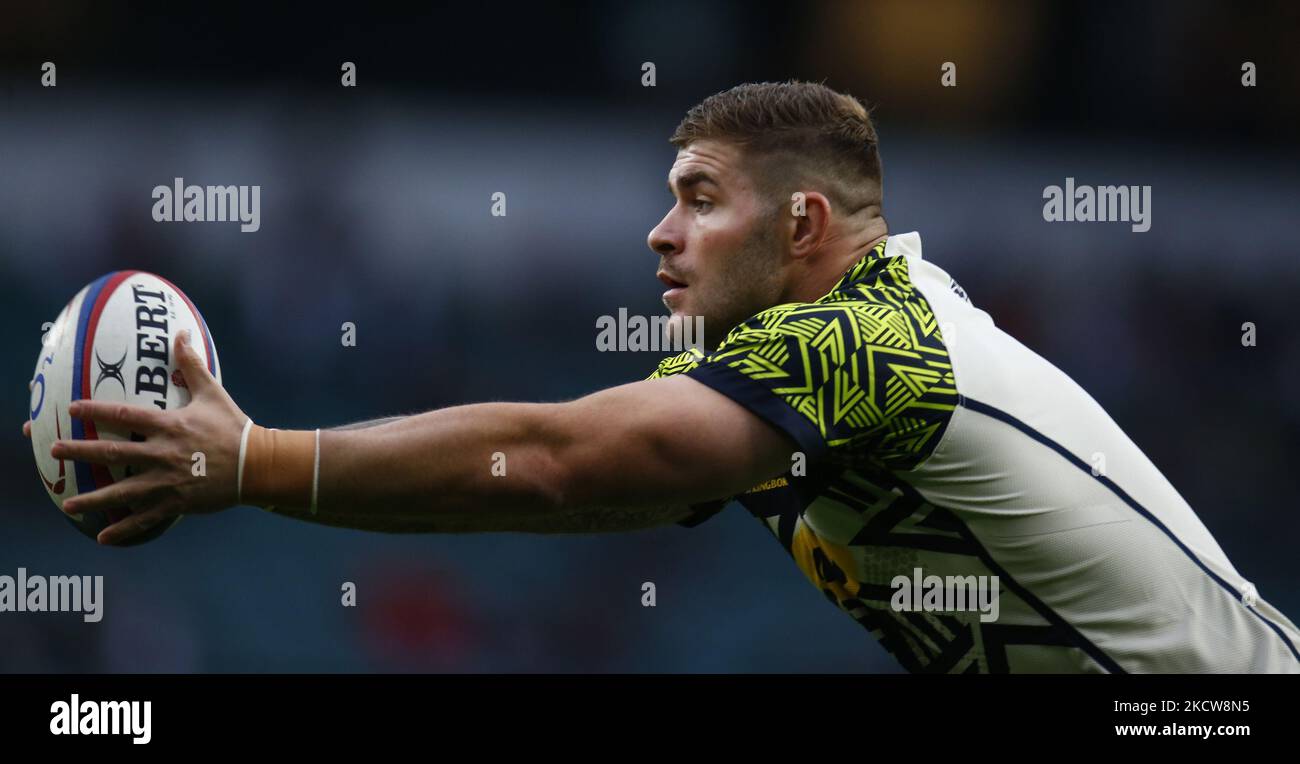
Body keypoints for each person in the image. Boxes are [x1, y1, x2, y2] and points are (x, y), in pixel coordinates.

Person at [33, 81, 1300, 673]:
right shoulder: (822, 363)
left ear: (802, 224)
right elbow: (583, 497)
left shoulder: (873, 342)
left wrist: (251, 460)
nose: (659, 231)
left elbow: (563, 455)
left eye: (698, 199)